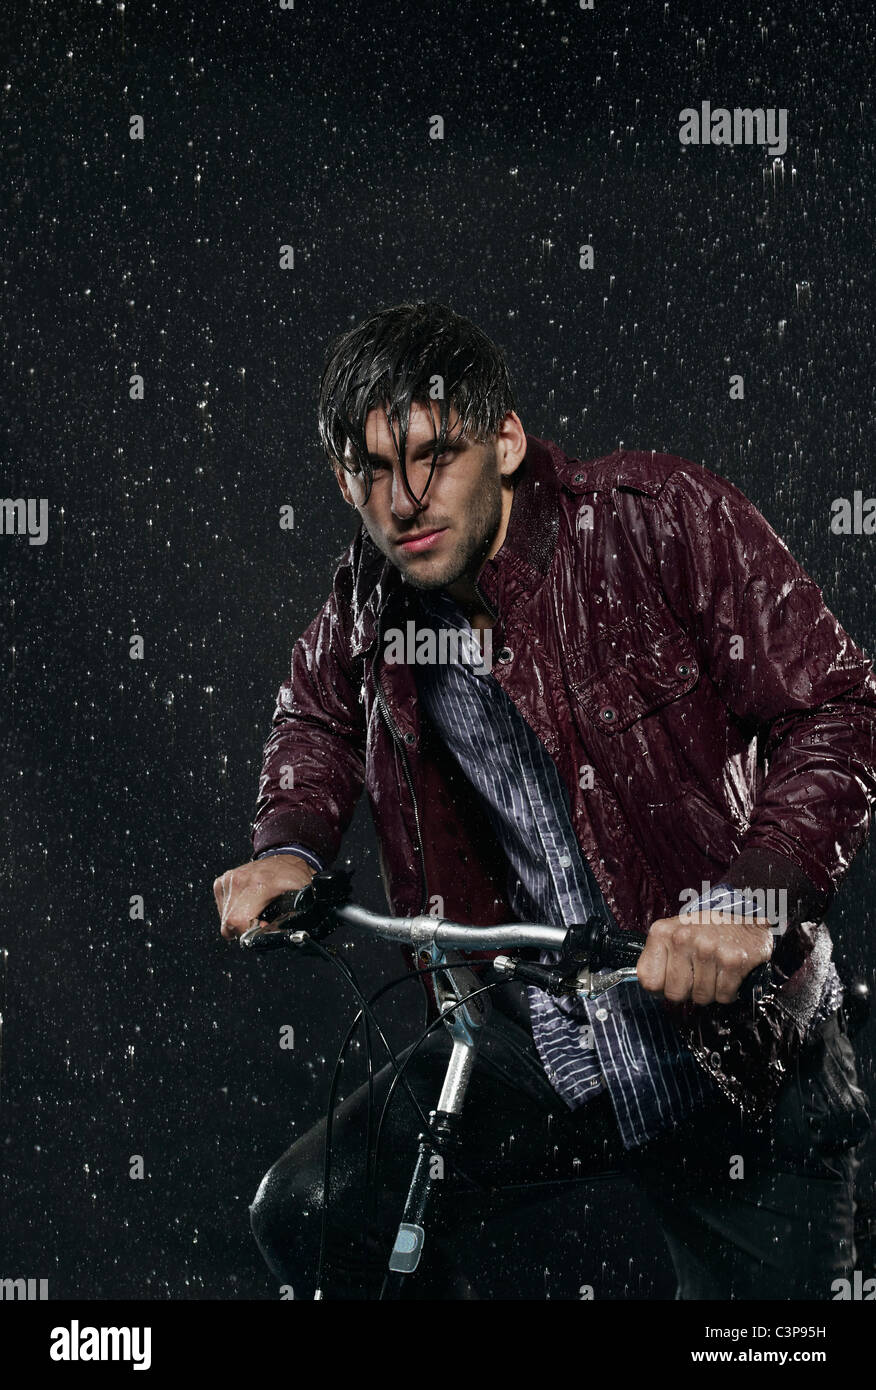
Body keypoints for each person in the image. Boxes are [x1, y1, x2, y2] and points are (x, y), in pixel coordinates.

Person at [213, 300, 875, 1300]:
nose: (404, 499)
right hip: (536, 1049)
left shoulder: (660, 521)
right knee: (313, 1209)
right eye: (372, 470)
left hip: (733, 1060)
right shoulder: (368, 599)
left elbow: (836, 708)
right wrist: (291, 846)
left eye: (435, 455)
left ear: (509, 441)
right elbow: (315, 719)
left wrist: (754, 901)